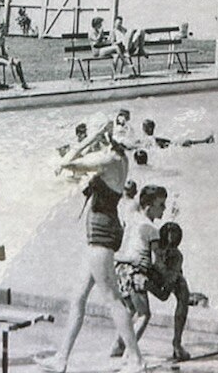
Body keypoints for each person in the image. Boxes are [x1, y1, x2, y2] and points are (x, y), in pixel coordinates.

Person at [42, 120, 146, 373]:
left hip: (101, 234)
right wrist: (100, 137)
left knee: (112, 298)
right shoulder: (120, 160)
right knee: (78, 297)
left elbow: (67, 162)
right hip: (102, 232)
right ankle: (61, 358)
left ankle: (137, 360)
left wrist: (94, 136)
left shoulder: (108, 160)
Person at [111, 185, 167, 355]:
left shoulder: (132, 218)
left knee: (130, 310)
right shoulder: (152, 230)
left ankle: (117, 346)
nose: (164, 208)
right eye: (161, 205)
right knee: (144, 315)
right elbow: (157, 261)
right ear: (149, 207)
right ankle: (131, 353)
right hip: (135, 272)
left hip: (120, 269)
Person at [145, 222, 193, 362]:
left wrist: (151, 286)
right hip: (160, 274)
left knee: (183, 294)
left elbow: (164, 294)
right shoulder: (158, 250)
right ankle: (177, 344)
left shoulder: (175, 256)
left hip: (170, 277)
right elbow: (163, 294)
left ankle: (177, 343)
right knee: (182, 294)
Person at [0, 25, 30, 90]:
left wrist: (8, 57)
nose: (3, 33)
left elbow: (3, 52)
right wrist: (6, 58)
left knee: (17, 62)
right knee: (8, 63)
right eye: (1, 31)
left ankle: (23, 83)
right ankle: (16, 84)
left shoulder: (3, 39)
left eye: (4, 31)